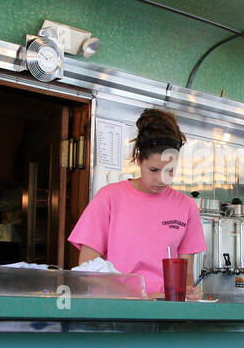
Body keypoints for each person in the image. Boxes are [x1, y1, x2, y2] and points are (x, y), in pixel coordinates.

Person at [68, 108, 206, 299]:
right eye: (154, 169)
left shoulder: (186, 207)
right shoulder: (109, 198)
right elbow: (87, 268)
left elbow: (187, 275)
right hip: (118, 311)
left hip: (164, 314)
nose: (162, 179)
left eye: (170, 171)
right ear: (138, 159)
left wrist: (189, 293)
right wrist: (137, 296)